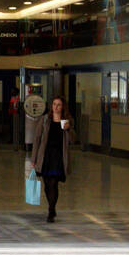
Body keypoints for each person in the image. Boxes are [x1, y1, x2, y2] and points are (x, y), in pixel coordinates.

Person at [29, 95, 75, 223]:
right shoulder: (45, 120)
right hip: (45, 156)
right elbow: (37, 139)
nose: (56, 107)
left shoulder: (67, 121)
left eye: (58, 104)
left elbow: (73, 140)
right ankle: (51, 207)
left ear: (62, 107)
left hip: (58, 156)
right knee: (47, 184)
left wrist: (68, 129)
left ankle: (51, 209)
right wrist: (33, 159)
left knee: (54, 183)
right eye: (54, 104)